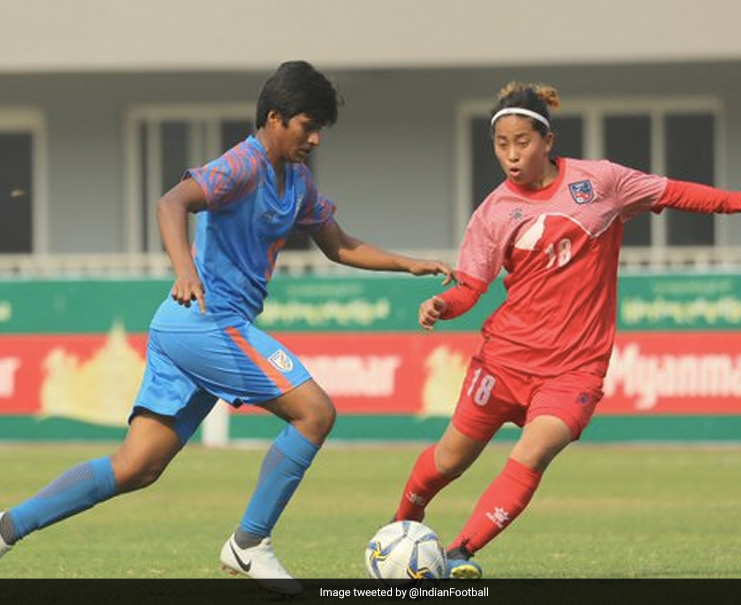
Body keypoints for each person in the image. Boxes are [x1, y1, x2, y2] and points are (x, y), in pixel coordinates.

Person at [0, 60, 453, 594]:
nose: (314, 139)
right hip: (206, 320)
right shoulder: (242, 164)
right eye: (307, 126)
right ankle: (249, 544)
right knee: (315, 412)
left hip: (187, 328)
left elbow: (339, 245)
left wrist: (409, 265)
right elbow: (171, 202)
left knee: (136, 466)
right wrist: (186, 271)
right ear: (276, 118)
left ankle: (8, 528)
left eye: (319, 129)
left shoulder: (298, 181)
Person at [391, 81, 741, 579]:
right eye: (501, 144)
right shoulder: (493, 212)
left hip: (574, 369)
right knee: (449, 460)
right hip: (505, 360)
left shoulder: (601, 183)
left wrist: (739, 202)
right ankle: (400, 528)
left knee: (535, 450)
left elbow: (672, 190)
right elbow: (471, 286)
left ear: (548, 140)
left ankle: (459, 553)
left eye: (523, 142)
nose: (511, 155)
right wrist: (442, 305)